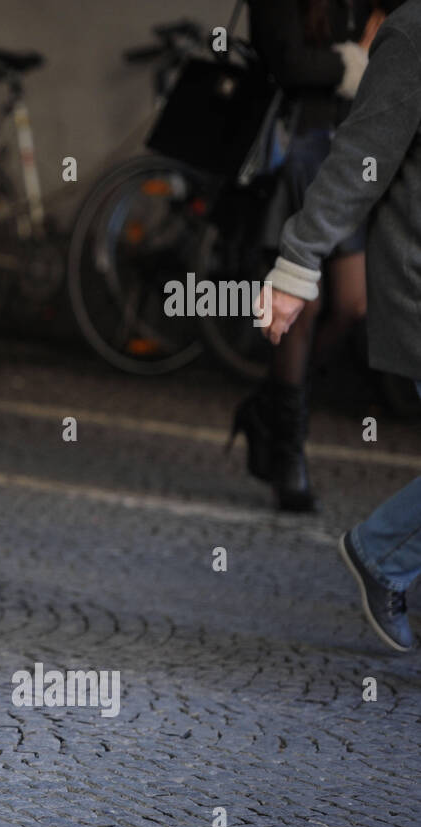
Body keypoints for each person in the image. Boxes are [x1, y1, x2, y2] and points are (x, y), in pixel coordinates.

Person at [258, 0, 419, 650]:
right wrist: (297, 263)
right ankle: (286, 443)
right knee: (328, 312)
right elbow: (359, 156)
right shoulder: (414, 32)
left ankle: (382, 553)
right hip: (409, 269)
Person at [232, 0, 375, 511]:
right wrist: (349, 64)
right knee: (302, 307)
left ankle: (268, 408)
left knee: (353, 304)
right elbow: (289, 63)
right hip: (296, 151)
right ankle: (288, 453)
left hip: (344, 153)